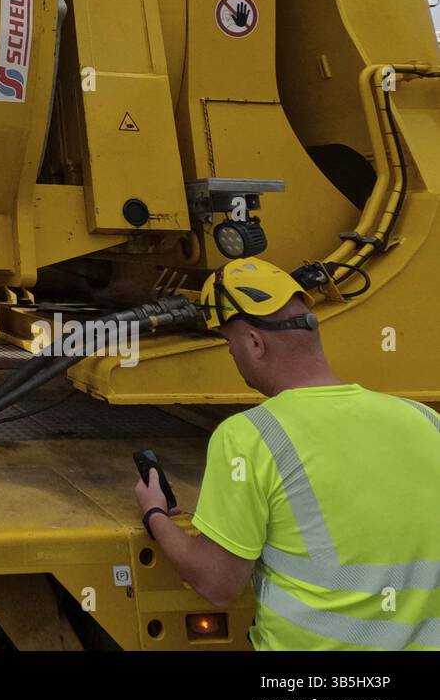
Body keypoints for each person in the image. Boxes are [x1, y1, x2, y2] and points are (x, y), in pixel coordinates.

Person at [133, 256, 440, 650]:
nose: (233, 359)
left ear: (255, 343)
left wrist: (154, 514)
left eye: (230, 346)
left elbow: (217, 583)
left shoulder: (250, 436)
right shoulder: (425, 420)